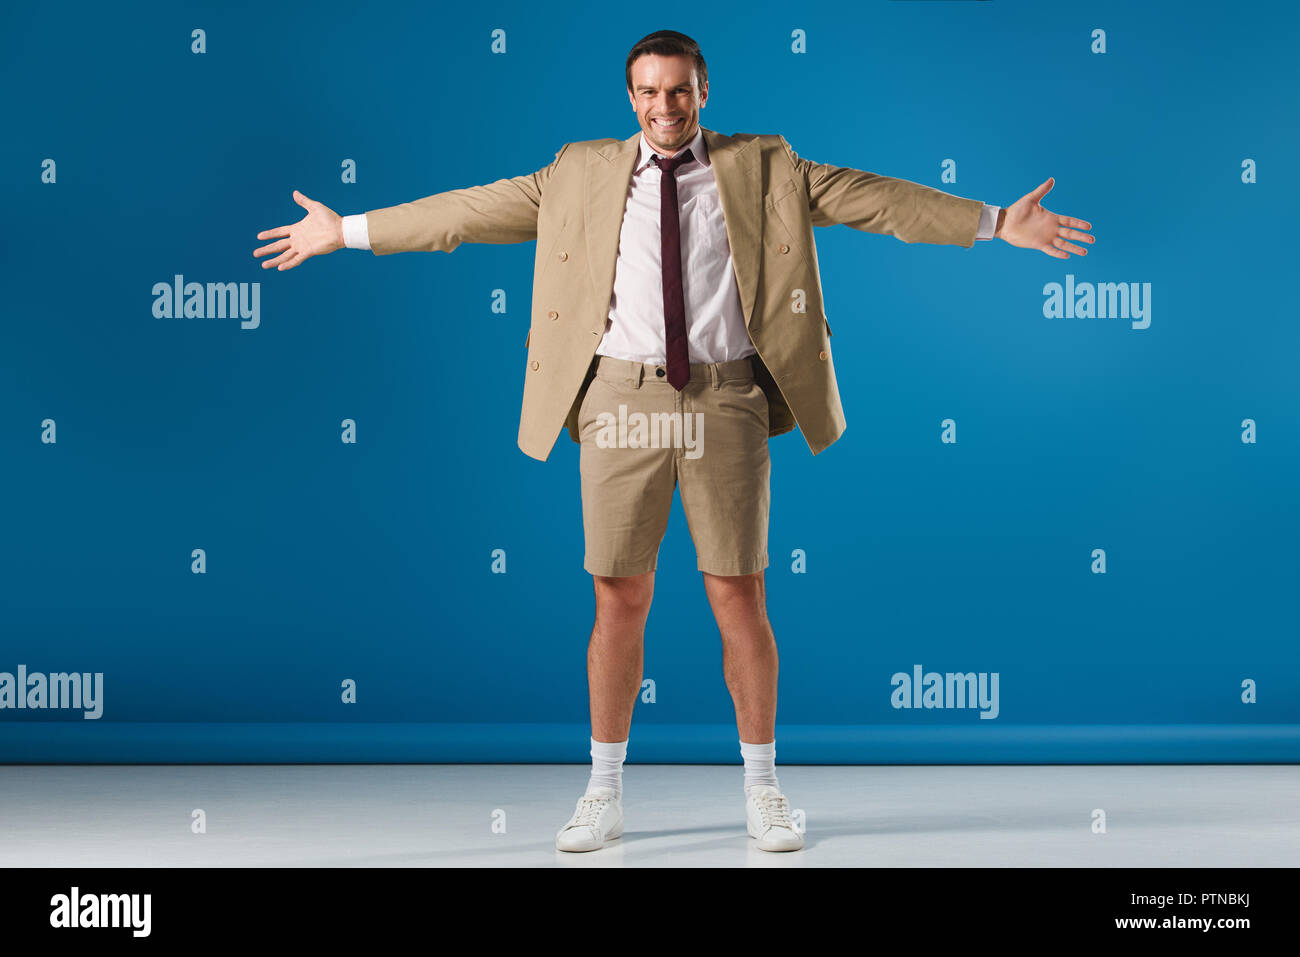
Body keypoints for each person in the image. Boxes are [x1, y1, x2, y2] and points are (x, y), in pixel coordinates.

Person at [254, 29, 1094, 854]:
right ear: (631, 98)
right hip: (619, 398)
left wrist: (993, 221)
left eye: (680, 89)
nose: (665, 105)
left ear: (703, 93)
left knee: (740, 595)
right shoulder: (577, 171)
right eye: (650, 91)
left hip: (724, 397)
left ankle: (764, 789)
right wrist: (349, 229)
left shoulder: (768, 165)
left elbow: (876, 198)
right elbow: (467, 213)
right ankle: (603, 791)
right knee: (617, 598)